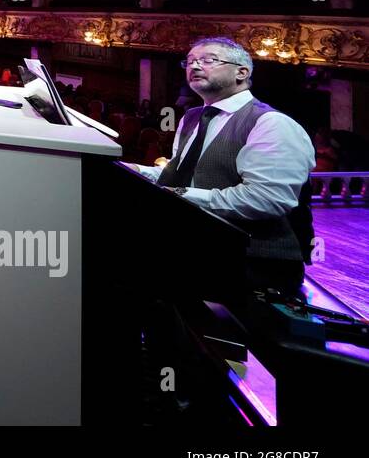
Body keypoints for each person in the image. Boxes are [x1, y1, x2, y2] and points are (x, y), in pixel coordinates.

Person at [125, 36, 315, 293]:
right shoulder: (192, 117)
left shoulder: (271, 123)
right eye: (190, 61)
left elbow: (266, 199)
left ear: (242, 72)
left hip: (256, 264)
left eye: (208, 60)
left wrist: (175, 196)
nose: (194, 66)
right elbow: (183, 173)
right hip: (198, 250)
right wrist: (139, 172)